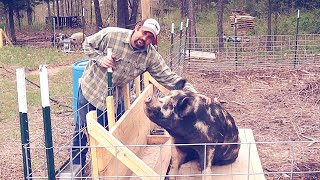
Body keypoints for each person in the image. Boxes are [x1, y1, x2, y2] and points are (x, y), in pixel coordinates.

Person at [71, 18, 210, 170]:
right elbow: (87, 43)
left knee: (109, 133)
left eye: (150, 37)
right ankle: (77, 168)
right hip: (91, 89)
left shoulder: (150, 56)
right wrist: (100, 59)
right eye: (144, 33)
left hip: (114, 97)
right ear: (137, 28)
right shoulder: (111, 35)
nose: (145, 39)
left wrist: (194, 94)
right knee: (82, 130)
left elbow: (169, 77)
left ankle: (103, 168)